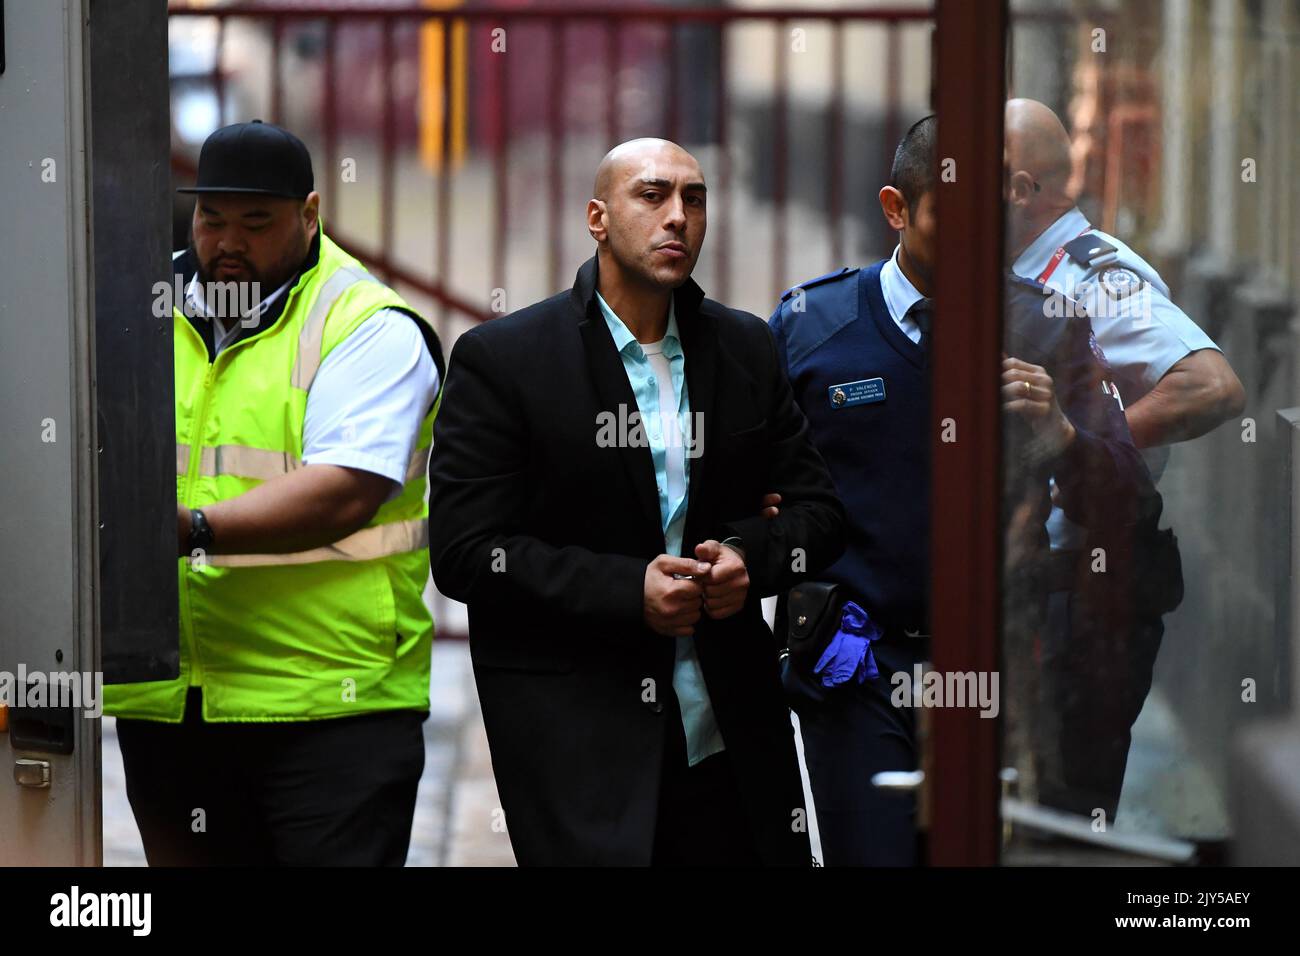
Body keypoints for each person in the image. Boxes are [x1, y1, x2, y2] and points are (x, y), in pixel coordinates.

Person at [426, 138, 845, 866]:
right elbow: (466, 554)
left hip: (730, 732)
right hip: (583, 739)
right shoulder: (506, 360)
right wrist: (628, 591)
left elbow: (821, 512)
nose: (677, 217)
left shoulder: (745, 349)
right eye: (652, 196)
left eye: (694, 198)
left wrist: (751, 556)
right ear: (598, 217)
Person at [767, 115, 1153, 864]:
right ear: (896, 208)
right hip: (857, 666)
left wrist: (1063, 434)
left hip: (1000, 665)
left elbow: (1129, 497)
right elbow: (754, 492)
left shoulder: (1046, 326)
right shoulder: (811, 326)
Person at [103, 120, 445, 866]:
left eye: (257, 223)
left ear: (311, 214)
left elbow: (344, 491)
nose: (228, 243)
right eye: (211, 219)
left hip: (331, 702)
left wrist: (191, 528)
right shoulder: (144, 307)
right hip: (174, 698)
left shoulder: (366, 325)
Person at [1004, 98, 1245, 819]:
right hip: (1036, 587)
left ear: (1019, 189)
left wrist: (1085, 450)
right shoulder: (1023, 271)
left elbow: (1212, 387)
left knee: (1060, 814)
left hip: (1082, 592)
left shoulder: (1090, 275)